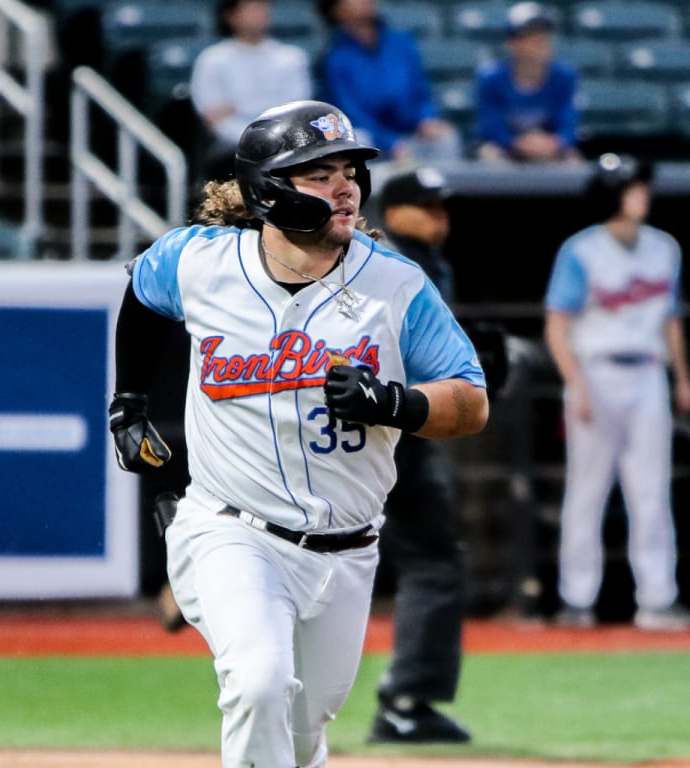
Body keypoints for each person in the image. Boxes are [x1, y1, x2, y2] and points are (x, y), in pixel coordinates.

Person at [107, 100, 488, 768]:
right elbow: (141, 293)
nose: (345, 187)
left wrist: (394, 402)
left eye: (349, 171)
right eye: (319, 173)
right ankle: (188, 549)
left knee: (303, 732)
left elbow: (471, 402)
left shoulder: (395, 285)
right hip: (233, 528)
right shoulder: (199, 261)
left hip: (347, 551)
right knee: (258, 683)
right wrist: (129, 399)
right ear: (268, 190)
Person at [542, 153, 690, 632]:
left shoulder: (664, 248)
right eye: (632, 188)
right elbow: (557, 325)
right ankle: (576, 600)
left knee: (651, 492)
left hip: (648, 373)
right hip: (596, 372)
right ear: (611, 196)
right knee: (587, 492)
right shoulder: (581, 250)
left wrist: (682, 378)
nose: (642, 195)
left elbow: (671, 320)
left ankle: (657, 599)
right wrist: (575, 384)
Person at [364, 166, 471, 744]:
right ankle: (405, 699)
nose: (440, 218)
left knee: (431, 555)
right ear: (396, 210)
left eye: (443, 207)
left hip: (400, 430)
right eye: (428, 207)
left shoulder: (423, 262)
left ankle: (408, 699)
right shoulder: (380, 261)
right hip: (369, 433)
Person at [315, 0, 462, 162]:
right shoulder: (335, 58)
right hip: (374, 141)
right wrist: (390, 143)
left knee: (445, 137)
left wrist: (426, 119)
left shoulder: (402, 43)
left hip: (412, 134)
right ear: (337, 11)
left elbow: (420, 91)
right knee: (359, 138)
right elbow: (351, 114)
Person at [189, 0, 312, 181]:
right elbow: (211, 116)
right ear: (230, 16)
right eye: (251, 9)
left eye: (263, 8)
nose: (259, 14)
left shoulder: (292, 58)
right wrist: (251, 141)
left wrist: (236, 108)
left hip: (284, 142)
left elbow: (296, 111)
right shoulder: (212, 59)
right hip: (231, 145)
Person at [474, 1, 580, 163]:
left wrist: (554, 143)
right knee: (489, 155)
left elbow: (567, 125)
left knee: (573, 160)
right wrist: (517, 143)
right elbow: (491, 127)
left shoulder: (564, 75)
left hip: (550, 149)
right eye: (529, 35)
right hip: (507, 149)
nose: (540, 40)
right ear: (512, 43)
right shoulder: (491, 78)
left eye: (544, 34)